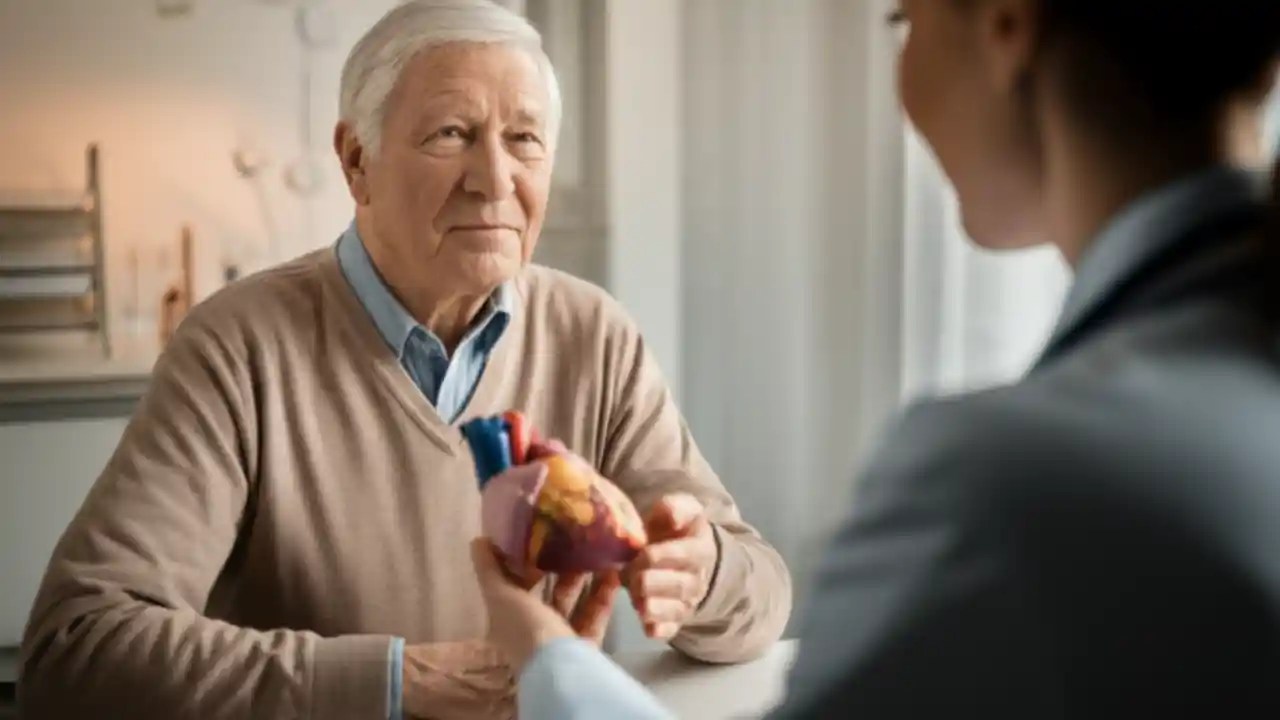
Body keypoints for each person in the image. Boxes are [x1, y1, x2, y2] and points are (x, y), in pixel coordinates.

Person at [468, 0, 1280, 716]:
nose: (492, 178)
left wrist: (549, 661)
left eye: (904, 20)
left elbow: (755, 583)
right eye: (451, 136)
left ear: (1006, 23)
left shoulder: (998, 481)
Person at [16, 2, 792, 718]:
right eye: (451, 134)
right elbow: (77, 649)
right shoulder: (237, 347)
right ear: (357, 161)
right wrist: (401, 682)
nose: (495, 180)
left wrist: (704, 574)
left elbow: (765, 595)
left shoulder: (595, 334)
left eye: (524, 140)